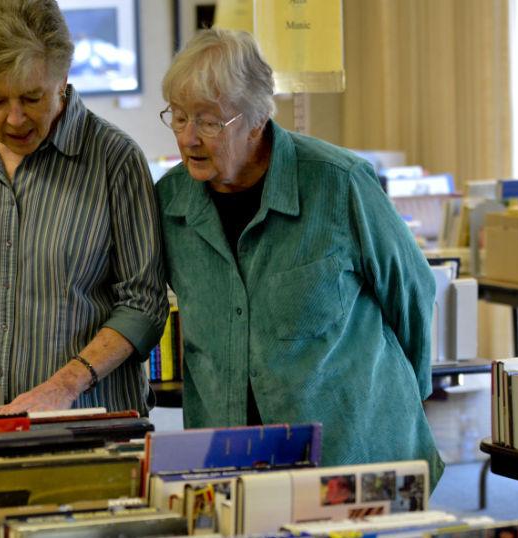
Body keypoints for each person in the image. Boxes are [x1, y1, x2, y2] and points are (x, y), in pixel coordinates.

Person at [154, 28, 444, 484]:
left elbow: (411, 289)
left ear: (255, 120)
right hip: (232, 461)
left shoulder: (338, 182)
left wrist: (409, 393)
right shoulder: (171, 202)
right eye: (178, 117)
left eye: (208, 122)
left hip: (351, 450)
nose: (188, 137)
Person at [0, 0, 168, 418]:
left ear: (63, 78)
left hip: (85, 423)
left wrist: (63, 387)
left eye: (32, 98)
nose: (15, 119)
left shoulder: (114, 159)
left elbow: (144, 305)